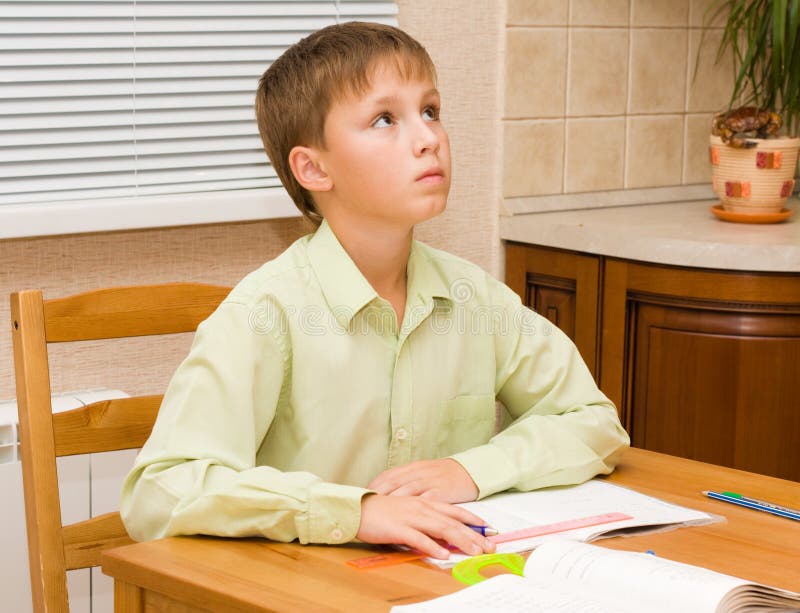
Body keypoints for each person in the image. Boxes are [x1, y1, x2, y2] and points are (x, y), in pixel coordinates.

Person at [120, 21, 629, 561]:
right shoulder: (263, 314)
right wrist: (352, 510)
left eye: (430, 110)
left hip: (444, 585)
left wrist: (469, 470)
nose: (428, 137)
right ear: (313, 168)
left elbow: (594, 422)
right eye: (385, 119)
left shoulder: (476, 299)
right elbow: (159, 489)